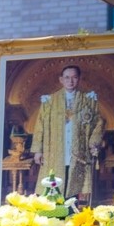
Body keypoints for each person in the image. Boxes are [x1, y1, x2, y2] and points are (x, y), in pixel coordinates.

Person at [30, 64, 104, 202]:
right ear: (61, 80)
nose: (70, 81)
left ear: (79, 79)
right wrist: (38, 151)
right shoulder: (50, 101)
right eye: (67, 77)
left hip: (77, 149)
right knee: (54, 183)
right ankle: (54, 215)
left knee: (72, 183)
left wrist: (93, 143)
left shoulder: (88, 100)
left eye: (74, 77)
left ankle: (71, 212)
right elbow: (40, 125)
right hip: (55, 150)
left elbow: (98, 123)